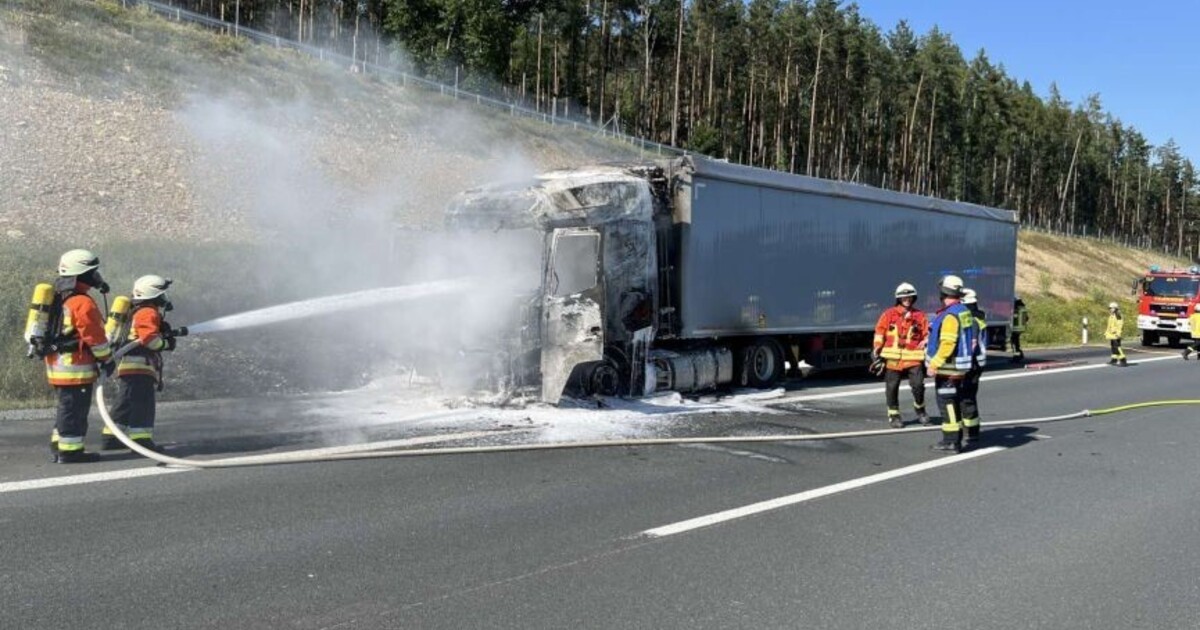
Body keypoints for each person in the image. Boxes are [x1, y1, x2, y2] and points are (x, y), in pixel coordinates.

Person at [45, 249, 115, 463]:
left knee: (66, 408)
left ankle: (59, 445)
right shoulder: (82, 302)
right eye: (93, 272)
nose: (96, 276)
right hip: (75, 368)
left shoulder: (61, 297)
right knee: (74, 410)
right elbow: (94, 337)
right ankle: (70, 452)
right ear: (82, 274)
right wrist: (107, 358)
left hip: (58, 366)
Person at [104, 275, 179, 453]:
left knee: (126, 403)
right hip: (140, 367)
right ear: (153, 294)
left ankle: (111, 437)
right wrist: (166, 344)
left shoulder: (137, 310)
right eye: (161, 294)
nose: (164, 298)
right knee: (143, 403)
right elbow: (149, 340)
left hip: (130, 366)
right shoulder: (147, 312)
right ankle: (141, 440)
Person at [925, 275, 980, 453]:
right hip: (959, 368)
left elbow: (948, 344)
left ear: (943, 293)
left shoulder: (950, 315)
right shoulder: (963, 311)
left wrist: (934, 364)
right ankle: (953, 439)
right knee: (953, 403)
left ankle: (951, 441)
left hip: (948, 369)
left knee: (947, 404)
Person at [872, 282, 930, 428]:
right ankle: (894, 415)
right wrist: (877, 347)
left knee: (918, 386)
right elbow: (879, 332)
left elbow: (927, 334)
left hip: (913, 357)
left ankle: (920, 410)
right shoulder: (888, 314)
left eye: (909, 297)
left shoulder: (920, 315)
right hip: (893, 358)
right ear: (899, 298)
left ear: (913, 298)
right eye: (904, 297)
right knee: (892, 387)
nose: (907, 300)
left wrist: (926, 341)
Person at [960, 288, 987, 447]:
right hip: (977, 364)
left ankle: (970, 433)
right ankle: (972, 431)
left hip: (971, 364)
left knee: (966, 398)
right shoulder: (979, 317)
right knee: (969, 397)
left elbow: (971, 345)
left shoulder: (971, 321)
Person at [1106, 302, 1128, 367]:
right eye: (1109, 308)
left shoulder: (1118, 316)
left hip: (1116, 334)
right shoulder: (1111, 316)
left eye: (1111, 308)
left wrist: (1118, 334)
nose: (1110, 309)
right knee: (1113, 347)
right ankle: (1114, 359)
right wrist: (1107, 332)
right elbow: (1109, 325)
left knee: (1117, 347)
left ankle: (1123, 360)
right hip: (1112, 334)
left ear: (1115, 308)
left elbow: (1120, 325)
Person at [1011, 297, 1029, 361]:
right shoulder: (1022, 307)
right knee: (1016, 341)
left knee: (1014, 342)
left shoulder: (1016, 308)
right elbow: (1026, 318)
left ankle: (1017, 356)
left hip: (1016, 327)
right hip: (1020, 327)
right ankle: (1019, 354)